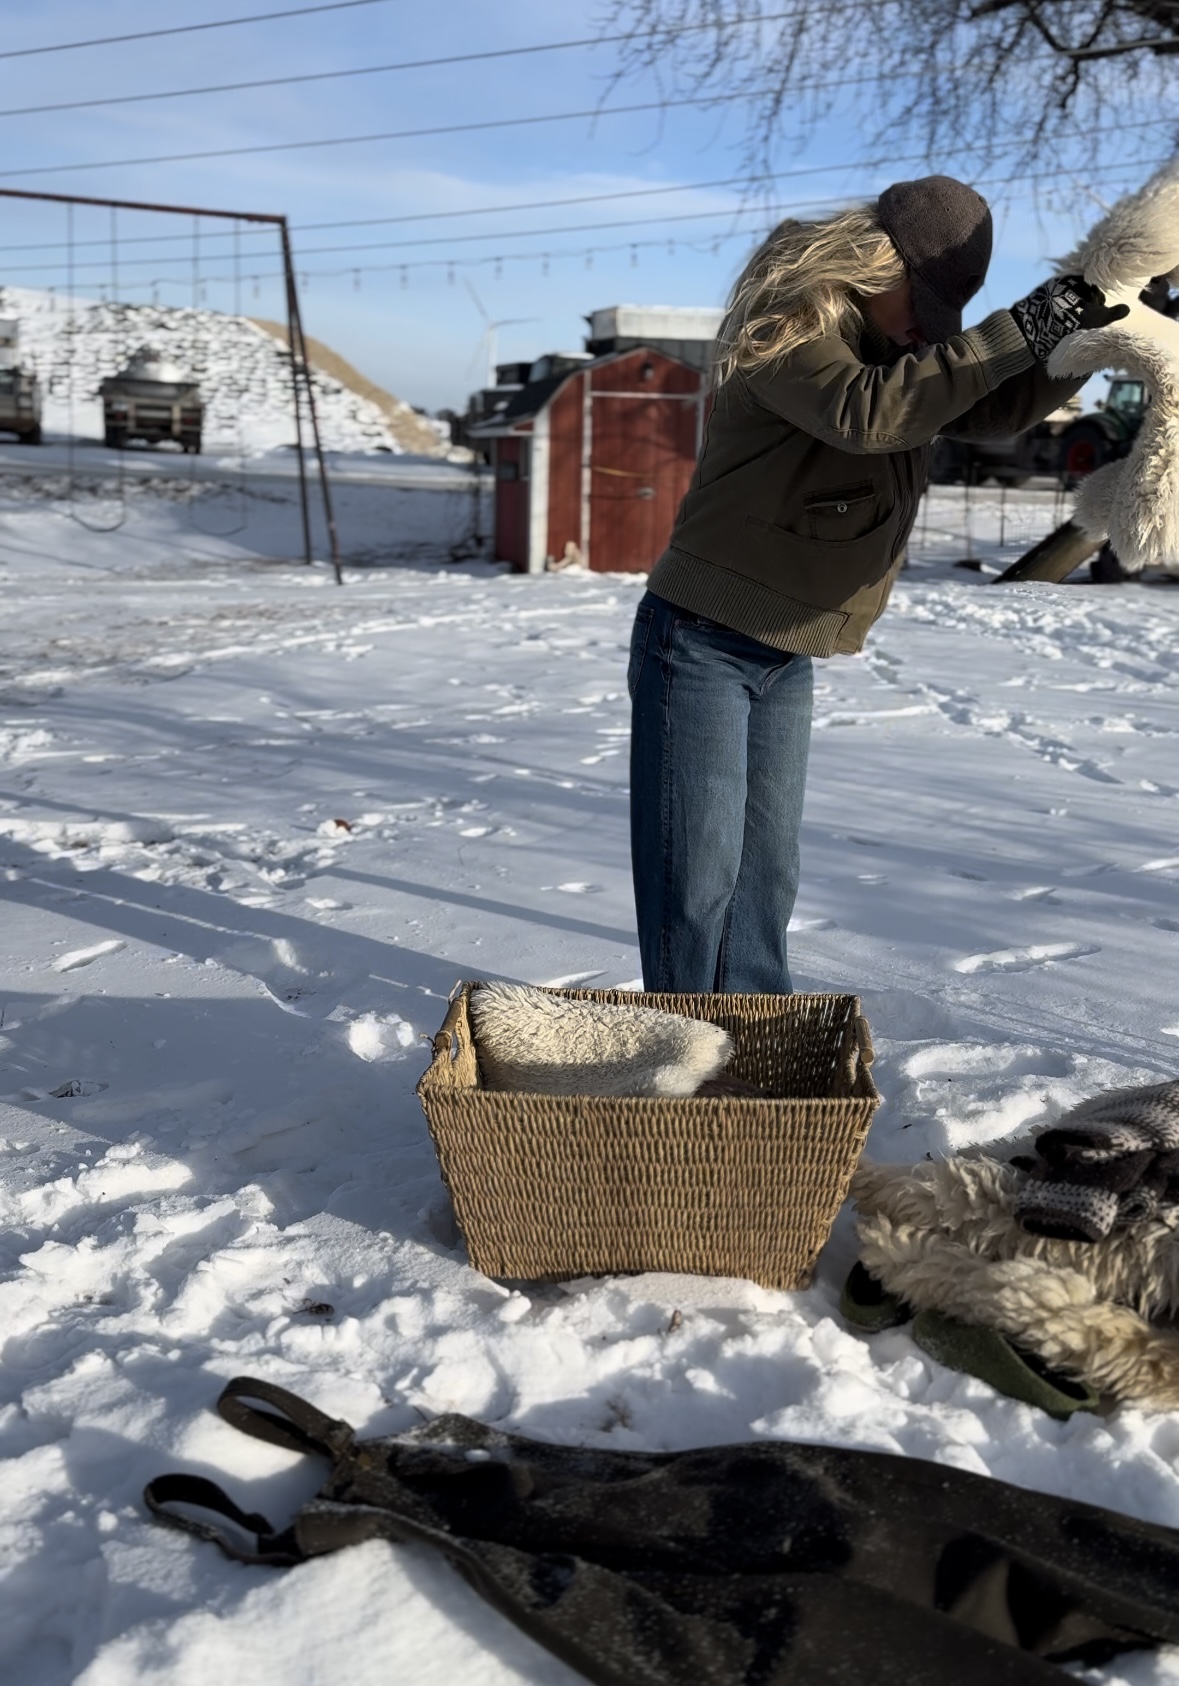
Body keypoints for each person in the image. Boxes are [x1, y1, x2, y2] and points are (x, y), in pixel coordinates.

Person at [627, 175, 1127, 995]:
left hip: (785, 647)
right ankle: (689, 1046)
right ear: (878, 264)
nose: (924, 329)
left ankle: (760, 1035)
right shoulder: (786, 322)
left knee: (764, 877)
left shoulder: (886, 348)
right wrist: (1022, 326)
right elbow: (867, 414)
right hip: (700, 638)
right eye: (921, 304)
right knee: (698, 875)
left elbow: (987, 407)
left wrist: (1089, 337)